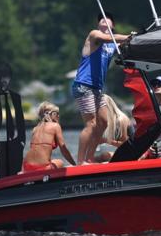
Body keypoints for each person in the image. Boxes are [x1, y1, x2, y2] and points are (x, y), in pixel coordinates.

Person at [71, 12, 131, 163]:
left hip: (97, 89)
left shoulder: (112, 44)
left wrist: (137, 39)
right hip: (84, 86)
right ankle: (80, 162)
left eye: (107, 20)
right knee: (91, 124)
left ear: (113, 25)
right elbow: (109, 38)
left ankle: (90, 158)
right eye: (101, 20)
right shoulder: (95, 35)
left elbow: (123, 44)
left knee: (103, 122)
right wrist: (128, 37)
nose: (103, 21)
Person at [22, 102, 75, 172]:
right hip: (42, 167)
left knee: (53, 161)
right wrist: (74, 164)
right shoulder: (55, 126)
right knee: (60, 162)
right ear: (52, 114)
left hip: (26, 166)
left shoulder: (35, 128)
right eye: (57, 113)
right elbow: (63, 149)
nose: (59, 116)